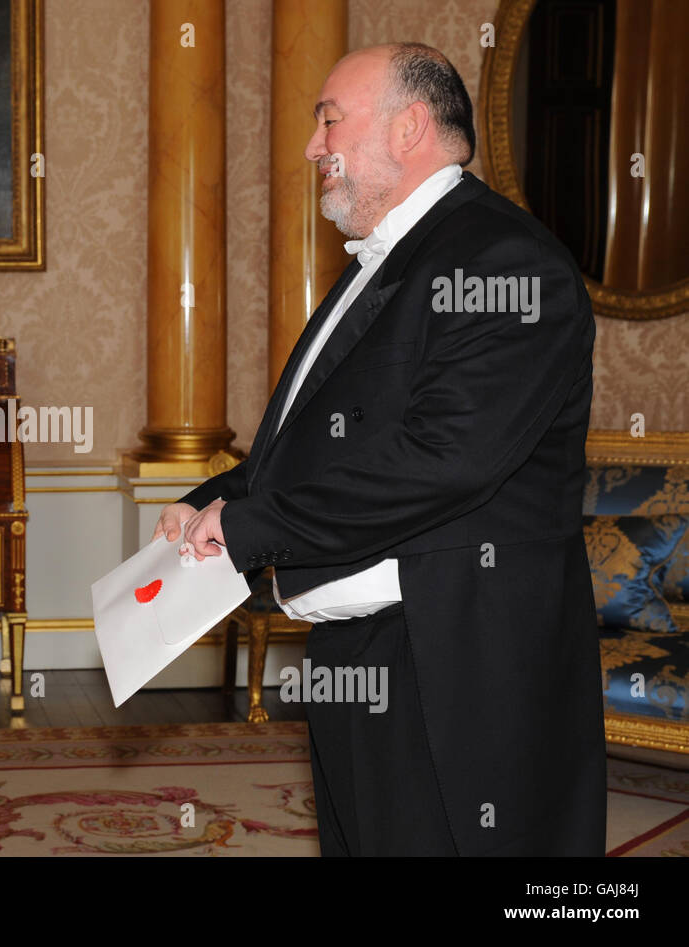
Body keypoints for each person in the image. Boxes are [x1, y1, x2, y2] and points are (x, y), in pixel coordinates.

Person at [154, 43, 605, 856]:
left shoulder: (510, 262)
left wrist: (253, 526)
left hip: (451, 660)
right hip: (360, 647)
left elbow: (446, 459)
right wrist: (211, 497)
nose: (311, 146)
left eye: (329, 119)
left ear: (410, 126)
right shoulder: (392, 256)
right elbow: (321, 441)